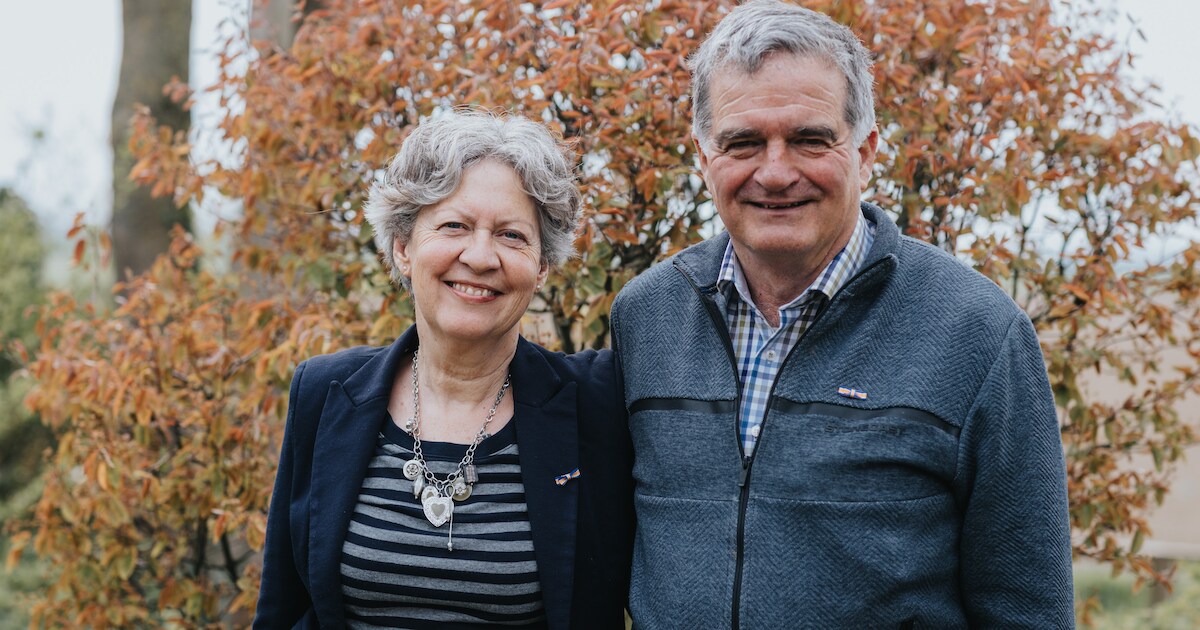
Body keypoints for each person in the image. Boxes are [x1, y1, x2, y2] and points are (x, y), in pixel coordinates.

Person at [609, 1, 1074, 627]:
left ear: (865, 151)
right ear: (703, 156)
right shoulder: (647, 317)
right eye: (743, 143)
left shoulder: (977, 332)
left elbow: (1027, 608)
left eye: (810, 139)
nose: (776, 173)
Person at [254, 110, 634, 629]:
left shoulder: (598, 404)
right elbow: (283, 609)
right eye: (455, 225)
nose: (480, 256)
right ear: (403, 247)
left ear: (542, 266)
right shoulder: (325, 392)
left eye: (512, 236)